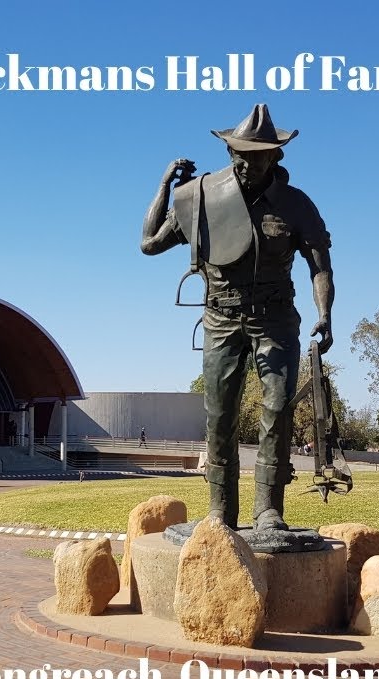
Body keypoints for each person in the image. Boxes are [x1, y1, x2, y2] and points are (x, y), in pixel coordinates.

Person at [141, 104, 334, 531]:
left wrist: (326, 314)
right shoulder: (202, 198)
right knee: (220, 414)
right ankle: (220, 512)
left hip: (276, 318)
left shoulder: (297, 206)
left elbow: (320, 265)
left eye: (255, 155)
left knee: (278, 408)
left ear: (275, 157)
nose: (244, 163)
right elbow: (150, 244)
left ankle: (268, 511)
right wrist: (164, 187)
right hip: (221, 319)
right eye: (238, 154)